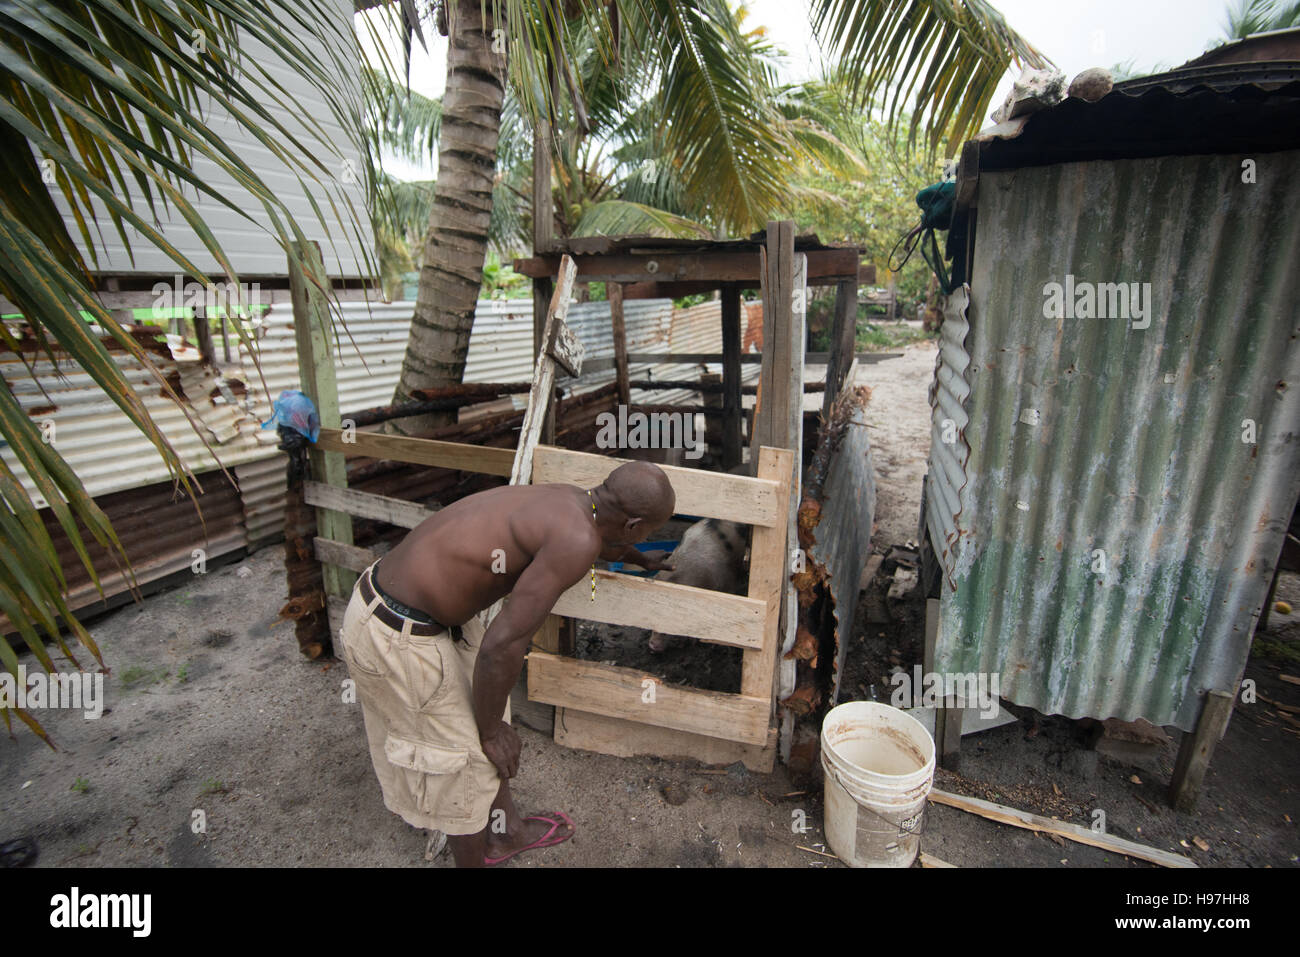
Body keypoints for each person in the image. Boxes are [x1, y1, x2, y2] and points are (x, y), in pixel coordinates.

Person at [337, 461, 676, 867]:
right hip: (396, 632)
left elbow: (602, 536)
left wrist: (640, 558)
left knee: (492, 711)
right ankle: (478, 856)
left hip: (402, 600)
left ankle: (505, 830)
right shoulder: (577, 539)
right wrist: (490, 731)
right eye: (649, 531)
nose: (645, 537)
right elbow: (504, 644)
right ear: (633, 524)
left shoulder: (575, 500)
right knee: (469, 758)